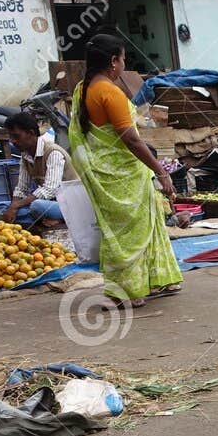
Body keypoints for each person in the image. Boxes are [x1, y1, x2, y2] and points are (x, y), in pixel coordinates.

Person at [70, 34, 182, 304]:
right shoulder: (109, 92)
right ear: (113, 62)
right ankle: (128, 291)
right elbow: (130, 138)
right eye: (123, 59)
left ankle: (154, 280)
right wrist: (160, 170)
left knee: (138, 224)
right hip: (122, 175)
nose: (124, 64)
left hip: (104, 172)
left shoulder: (83, 89)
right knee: (129, 232)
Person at [0, 112, 74, 228]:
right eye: (11, 137)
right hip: (50, 204)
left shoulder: (53, 152)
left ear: (30, 133)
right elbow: (21, 188)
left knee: (37, 206)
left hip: (70, 204)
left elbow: (49, 190)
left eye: (16, 136)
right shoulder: (25, 155)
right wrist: (13, 206)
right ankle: (46, 219)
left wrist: (15, 207)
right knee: (1, 207)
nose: (13, 141)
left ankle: (62, 219)